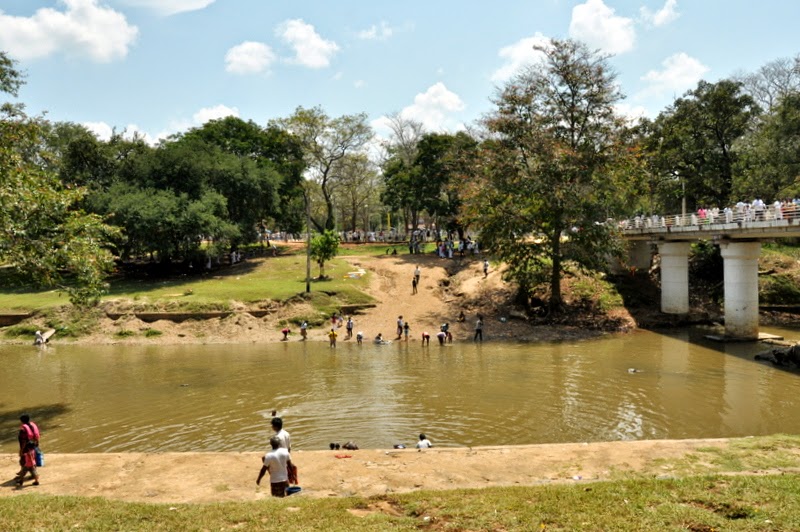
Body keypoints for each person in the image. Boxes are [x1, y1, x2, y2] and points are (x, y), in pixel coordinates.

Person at [15, 414, 40, 487]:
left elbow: (23, 441)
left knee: (24, 462)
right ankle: (33, 477)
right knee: (32, 462)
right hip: (33, 446)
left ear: (22, 421)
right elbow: (37, 436)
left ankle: (22, 479)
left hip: (26, 448)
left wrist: (21, 450)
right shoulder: (33, 425)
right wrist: (37, 444)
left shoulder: (23, 430)